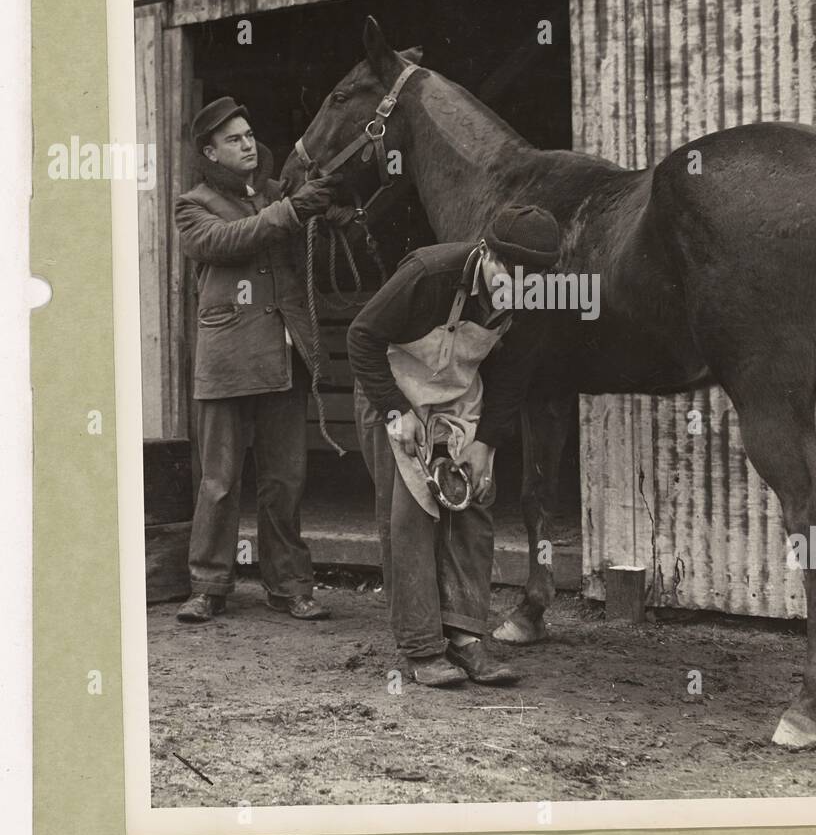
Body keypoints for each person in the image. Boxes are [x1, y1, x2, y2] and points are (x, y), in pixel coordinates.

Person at [349, 205, 561, 686]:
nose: (515, 288)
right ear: (486, 253)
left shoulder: (533, 299)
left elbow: (512, 376)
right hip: (395, 387)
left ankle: (466, 639)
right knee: (411, 514)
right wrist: (394, 410)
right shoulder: (430, 272)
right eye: (508, 274)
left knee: (472, 506)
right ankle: (422, 648)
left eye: (529, 281)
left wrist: (485, 443)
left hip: (459, 396)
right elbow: (361, 335)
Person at [173, 95, 340, 624]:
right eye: (233, 139)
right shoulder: (192, 205)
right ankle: (207, 585)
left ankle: (289, 584)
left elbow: (307, 220)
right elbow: (226, 242)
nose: (247, 144)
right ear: (211, 152)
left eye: (249, 135)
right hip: (226, 360)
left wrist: (330, 207)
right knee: (220, 481)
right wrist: (293, 211)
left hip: (282, 358)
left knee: (285, 479)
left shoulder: (277, 192)